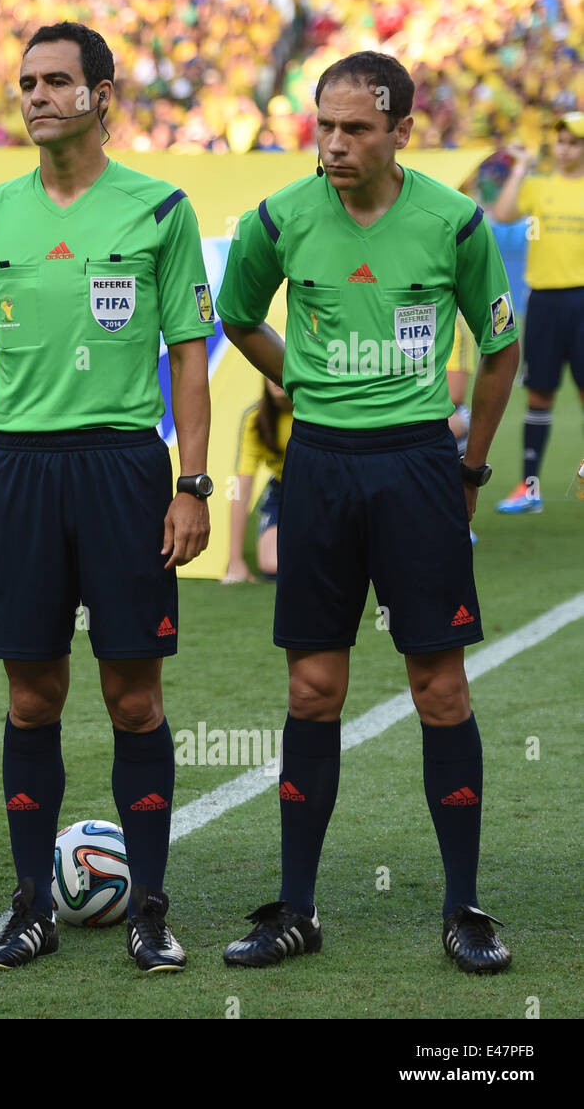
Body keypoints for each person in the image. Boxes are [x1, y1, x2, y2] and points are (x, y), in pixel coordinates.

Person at [216, 52, 520, 974]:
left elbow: (500, 346)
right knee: (313, 689)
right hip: (320, 468)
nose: (336, 144)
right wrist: (303, 377)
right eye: (325, 126)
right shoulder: (278, 218)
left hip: (421, 467)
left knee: (441, 689)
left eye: (356, 129)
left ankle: (463, 906)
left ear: (401, 133)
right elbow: (236, 315)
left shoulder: (457, 223)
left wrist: (470, 468)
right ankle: (297, 908)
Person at [0, 22, 213, 973]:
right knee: (32, 695)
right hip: (23, 471)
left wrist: (192, 484)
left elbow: (188, 359)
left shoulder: (160, 210)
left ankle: (151, 909)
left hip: (125, 467)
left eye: (57, 81)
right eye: (27, 82)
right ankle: (28, 907)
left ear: (101, 94)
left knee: (134, 698)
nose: (38, 96)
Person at [491, 114, 584, 514]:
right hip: (544, 304)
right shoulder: (539, 185)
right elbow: (503, 213)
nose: (565, 148)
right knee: (539, 395)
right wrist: (523, 166)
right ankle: (530, 488)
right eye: (561, 141)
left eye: (574, 142)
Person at [222, 378, 292, 583]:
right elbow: (240, 488)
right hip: (283, 491)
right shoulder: (255, 418)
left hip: (324, 491)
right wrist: (235, 561)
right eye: (270, 368)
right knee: (271, 564)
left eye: (283, 366)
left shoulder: (318, 412)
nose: (276, 378)